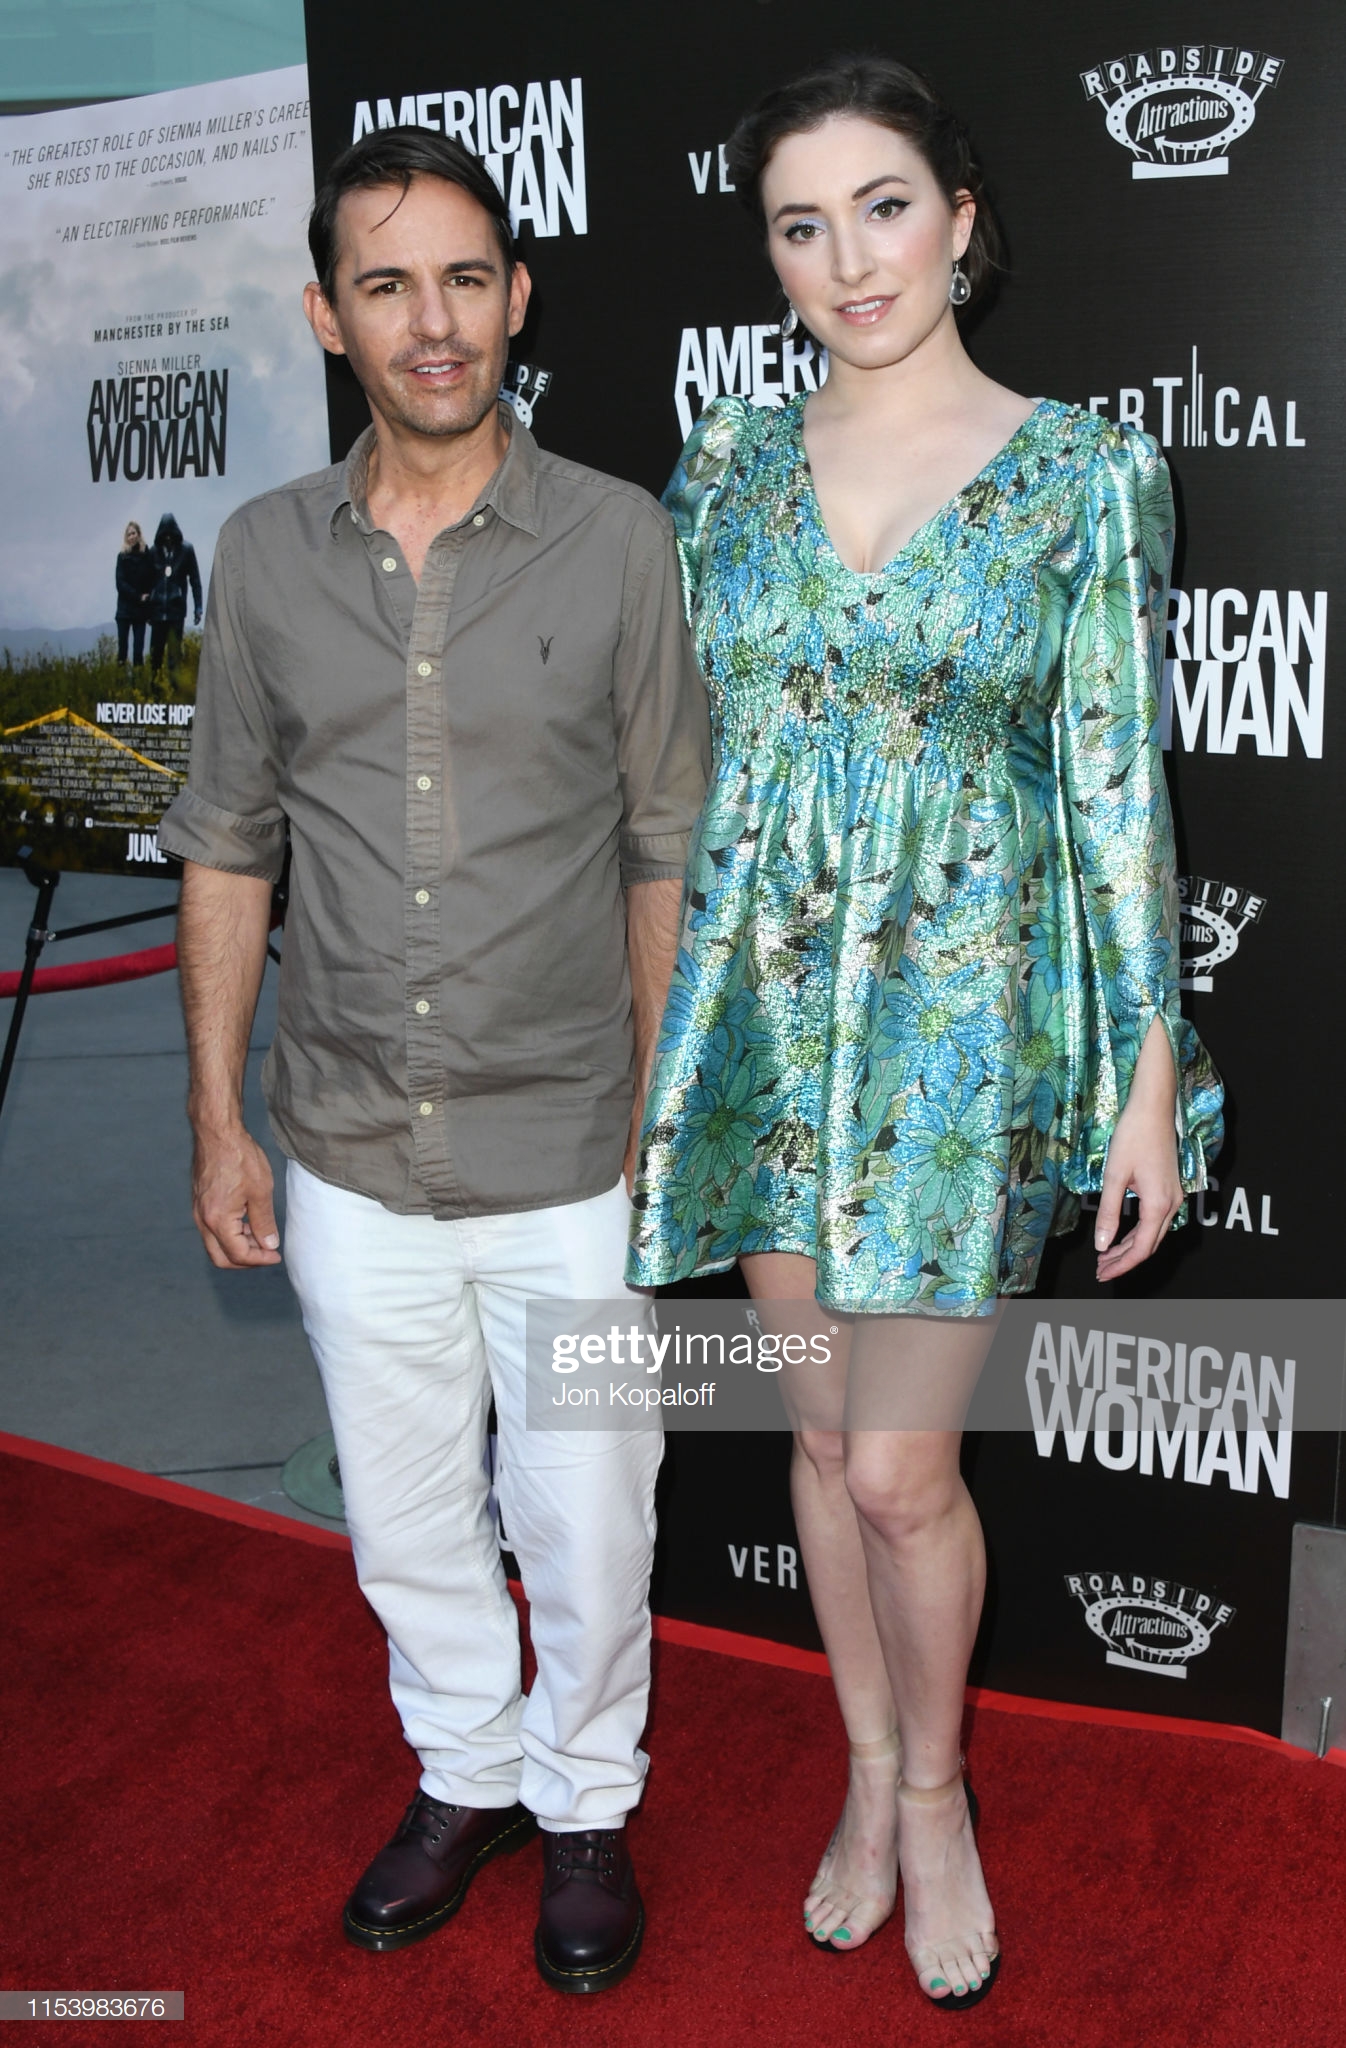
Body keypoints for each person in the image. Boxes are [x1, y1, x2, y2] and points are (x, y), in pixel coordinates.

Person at [627, 56, 1223, 2011]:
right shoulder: (719, 468)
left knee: (898, 1470)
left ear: (962, 215)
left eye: (882, 205)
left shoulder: (1086, 476)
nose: (845, 257)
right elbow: (681, 758)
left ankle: (943, 1785)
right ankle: (866, 1770)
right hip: (778, 1013)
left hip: (971, 1028)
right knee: (810, 1432)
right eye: (800, 224)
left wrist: (1144, 1072)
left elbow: (1118, 788)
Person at [157, 129, 708, 1994]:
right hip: (340, 1146)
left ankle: (584, 1801)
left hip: (571, 1150)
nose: (432, 318)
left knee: (590, 1518)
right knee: (404, 1518)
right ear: (329, 314)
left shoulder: (621, 536)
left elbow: (662, 847)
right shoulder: (257, 555)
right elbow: (227, 839)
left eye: (465, 276)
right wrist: (219, 1115)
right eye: (386, 282)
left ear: (517, 298)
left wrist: (656, 1127)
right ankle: (467, 1769)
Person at [147, 512, 202, 671]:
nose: (168, 538)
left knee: (174, 657)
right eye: (165, 535)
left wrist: (198, 607)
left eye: (171, 534)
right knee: (155, 657)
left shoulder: (186, 550)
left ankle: (174, 692)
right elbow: (148, 582)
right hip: (157, 612)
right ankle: (155, 692)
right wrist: (148, 611)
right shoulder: (153, 552)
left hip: (176, 611)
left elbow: (195, 580)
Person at [115, 520, 154, 665]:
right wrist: (138, 596)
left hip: (140, 612)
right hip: (124, 610)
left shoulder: (146, 555)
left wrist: (149, 604)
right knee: (122, 652)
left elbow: (151, 579)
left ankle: (139, 685)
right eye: (128, 534)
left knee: (138, 652)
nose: (131, 536)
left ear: (138, 535)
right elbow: (120, 584)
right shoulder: (122, 557)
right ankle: (120, 685)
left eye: (133, 533)